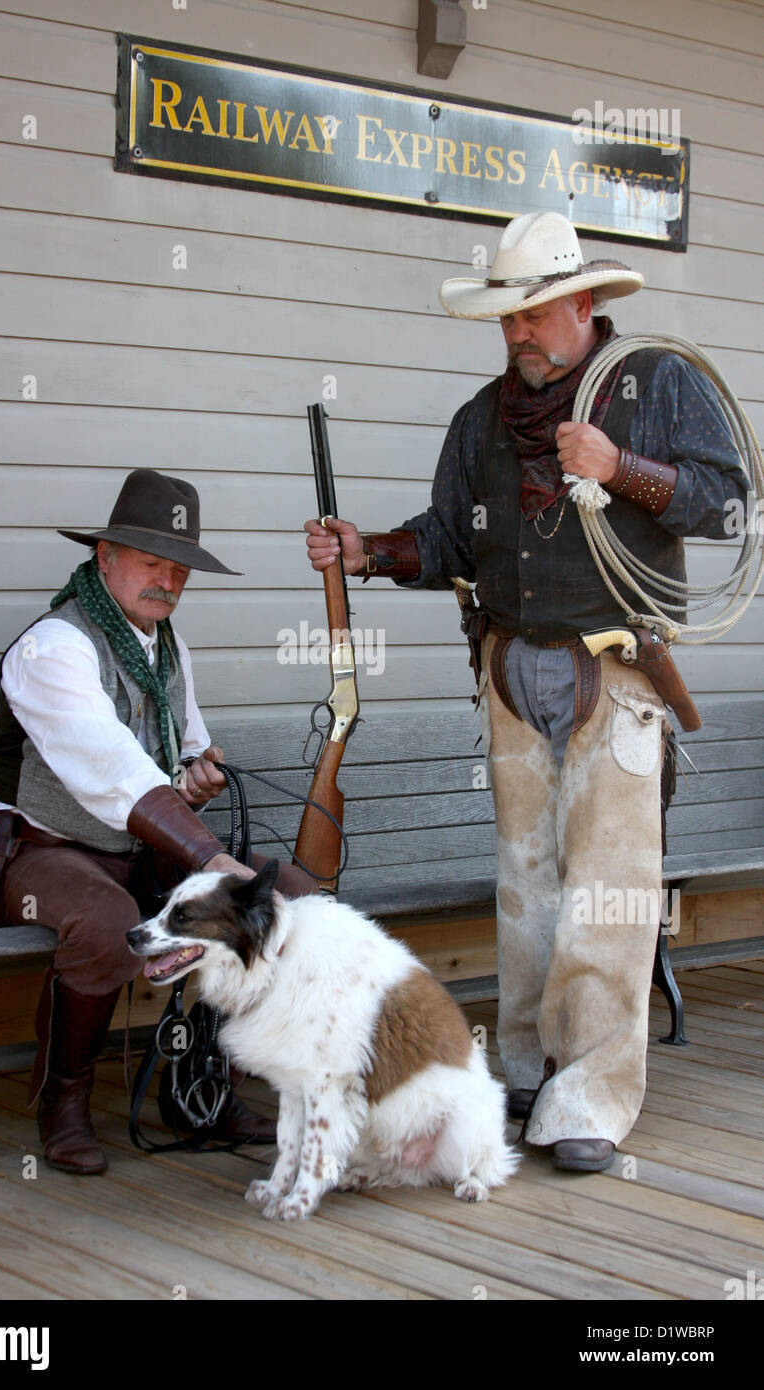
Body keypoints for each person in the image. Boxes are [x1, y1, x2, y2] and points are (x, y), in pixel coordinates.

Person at [304, 211, 747, 1172]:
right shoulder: (482, 418)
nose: (519, 334)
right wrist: (371, 552)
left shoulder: (658, 384)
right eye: (509, 318)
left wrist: (621, 468)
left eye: (536, 313)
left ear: (583, 304)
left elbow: (730, 499)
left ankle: (590, 1096)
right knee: (527, 884)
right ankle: (525, 1070)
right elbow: (452, 538)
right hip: (510, 670)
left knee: (613, 891)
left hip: (617, 669)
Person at [0, 468, 315, 1174]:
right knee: (108, 923)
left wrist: (197, 774)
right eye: (149, 562)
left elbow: (183, 745)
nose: (166, 580)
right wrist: (210, 858)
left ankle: (203, 1087)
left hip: (139, 856)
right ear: (105, 556)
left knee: (292, 894)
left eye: (179, 569)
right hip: (48, 854)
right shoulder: (55, 647)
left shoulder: (170, 649)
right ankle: (63, 1102)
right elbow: (110, 766)